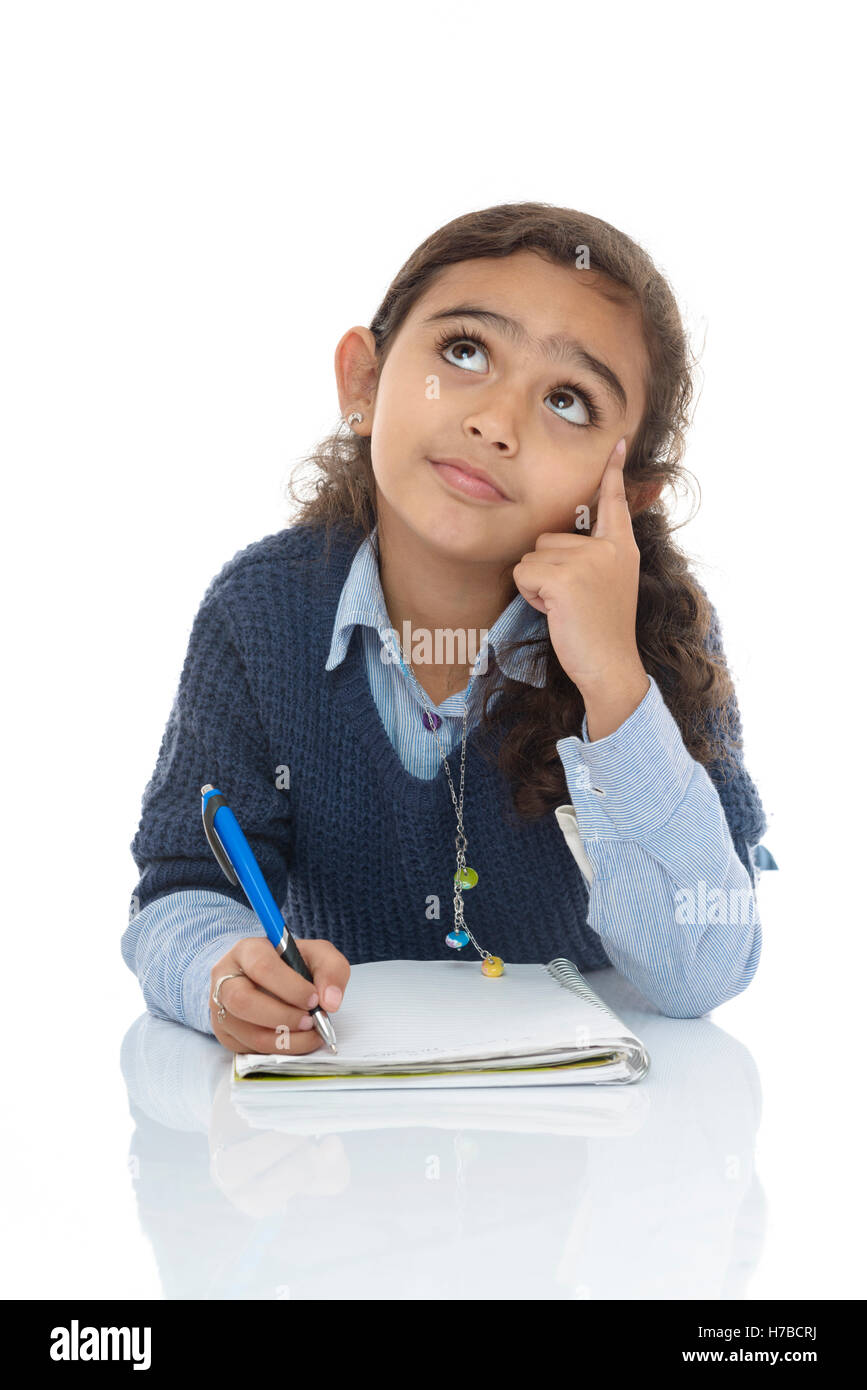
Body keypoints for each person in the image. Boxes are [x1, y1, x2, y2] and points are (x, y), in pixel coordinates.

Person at [124, 201, 770, 1054]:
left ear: (628, 497)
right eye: (464, 353)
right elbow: (182, 887)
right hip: (342, 1131)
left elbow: (701, 968)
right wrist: (221, 968)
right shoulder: (261, 611)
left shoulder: (651, 646)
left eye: (569, 402)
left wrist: (612, 678)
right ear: (364, 383)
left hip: (586, 1147)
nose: (495, 425)